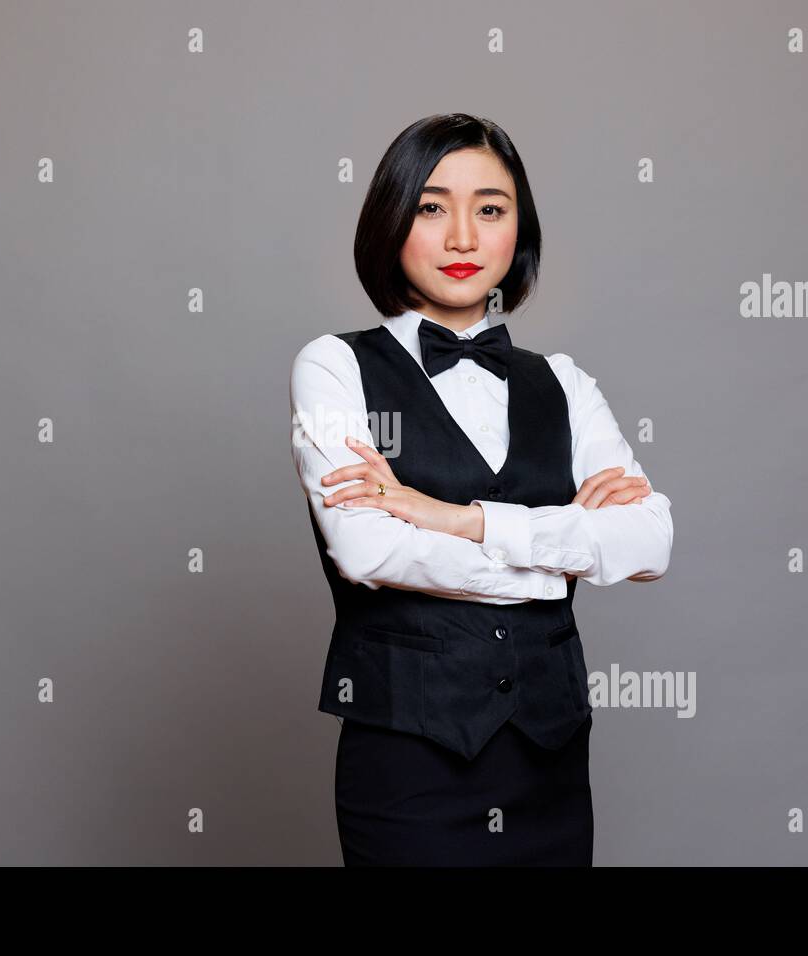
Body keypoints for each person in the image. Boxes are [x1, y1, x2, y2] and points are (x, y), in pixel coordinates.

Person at [289, 114, 674, 866]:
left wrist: (457, 521)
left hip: (550, 763)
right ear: (392, 219)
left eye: (490, 209)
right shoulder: (333, 366)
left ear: (517, 230)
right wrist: (564, 546)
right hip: (408, 768)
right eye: (432, 207)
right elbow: (368, 551)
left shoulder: (561, 381)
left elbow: (651, 539)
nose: (463, 237)